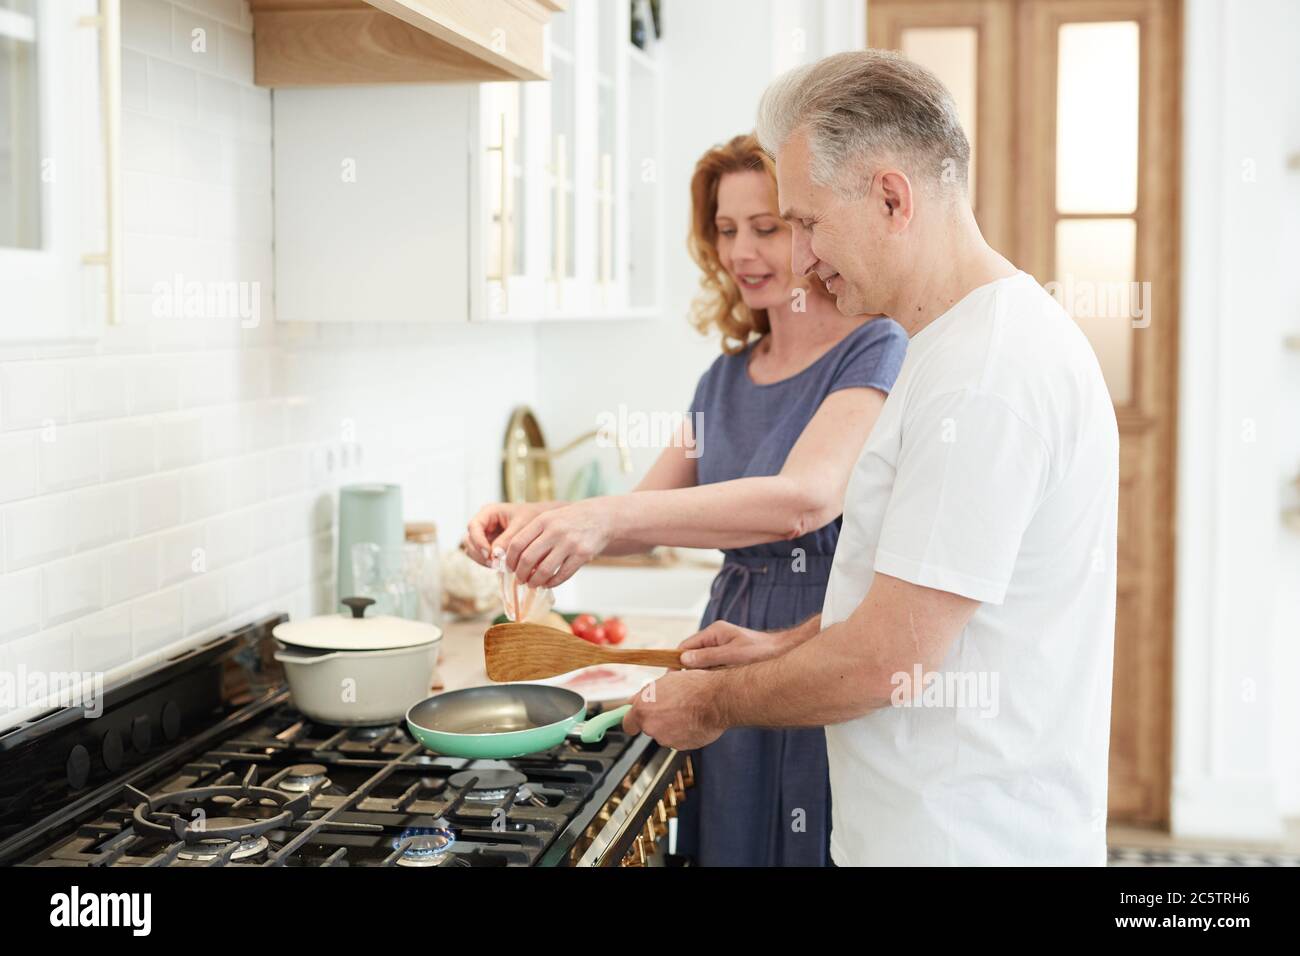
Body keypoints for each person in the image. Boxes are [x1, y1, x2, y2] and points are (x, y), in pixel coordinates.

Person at [624, 51, 1120, 866]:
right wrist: (783, 645)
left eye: (808, 223)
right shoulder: (954, 346)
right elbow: (929, 603)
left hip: (967, 843)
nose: (804, 260)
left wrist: (713, 703)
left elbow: (889, 663)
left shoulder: (985, 376)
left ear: (892, 196)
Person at [465, 133, 908, 866]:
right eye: (726, 231)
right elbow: (641, 521)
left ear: (810, 226)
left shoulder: (874, 348)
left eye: (765, 227)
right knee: (732, 837)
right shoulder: (726, 377)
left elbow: (803, 500)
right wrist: (535, 521)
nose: (741, 252)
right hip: (719, 648)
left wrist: (600, 518)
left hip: (820, 641)